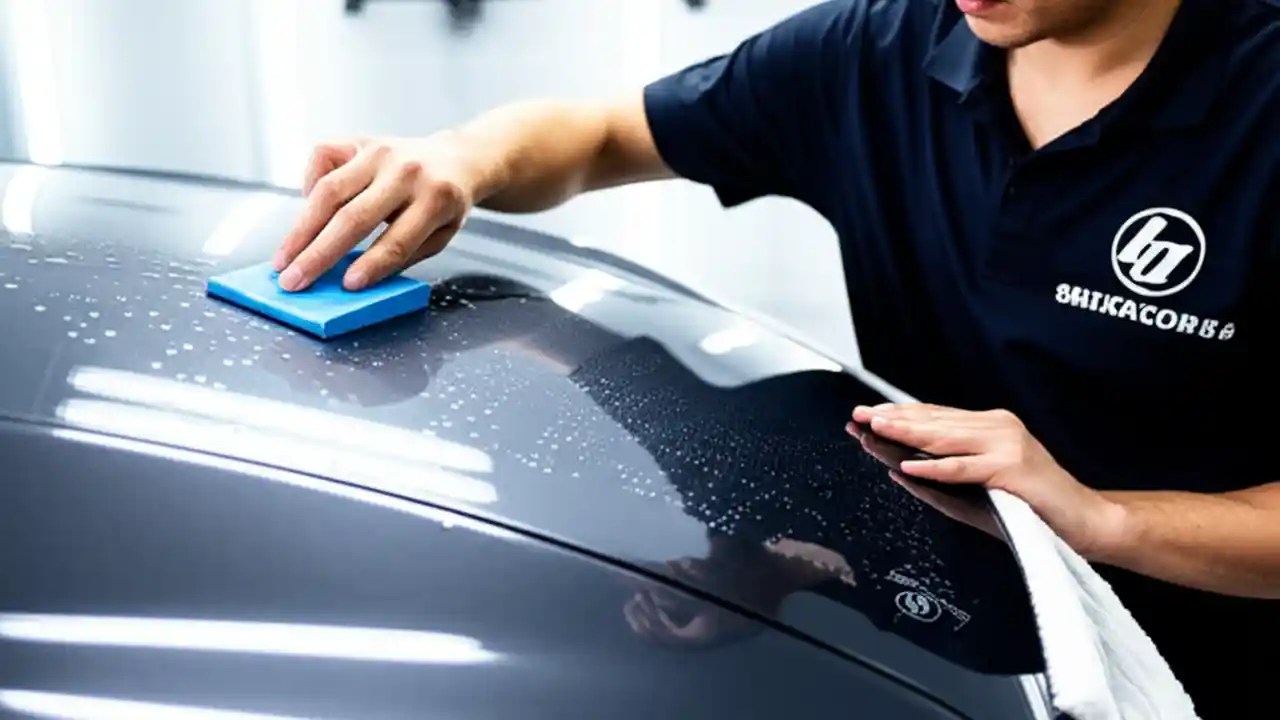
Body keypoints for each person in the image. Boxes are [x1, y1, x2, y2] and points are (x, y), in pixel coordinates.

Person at [272, 0, 1278, 714]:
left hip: (1186, 663)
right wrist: (461, 158)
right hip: (951, 656)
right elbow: (599, 135)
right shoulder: (875, 48)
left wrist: (1101, 519)